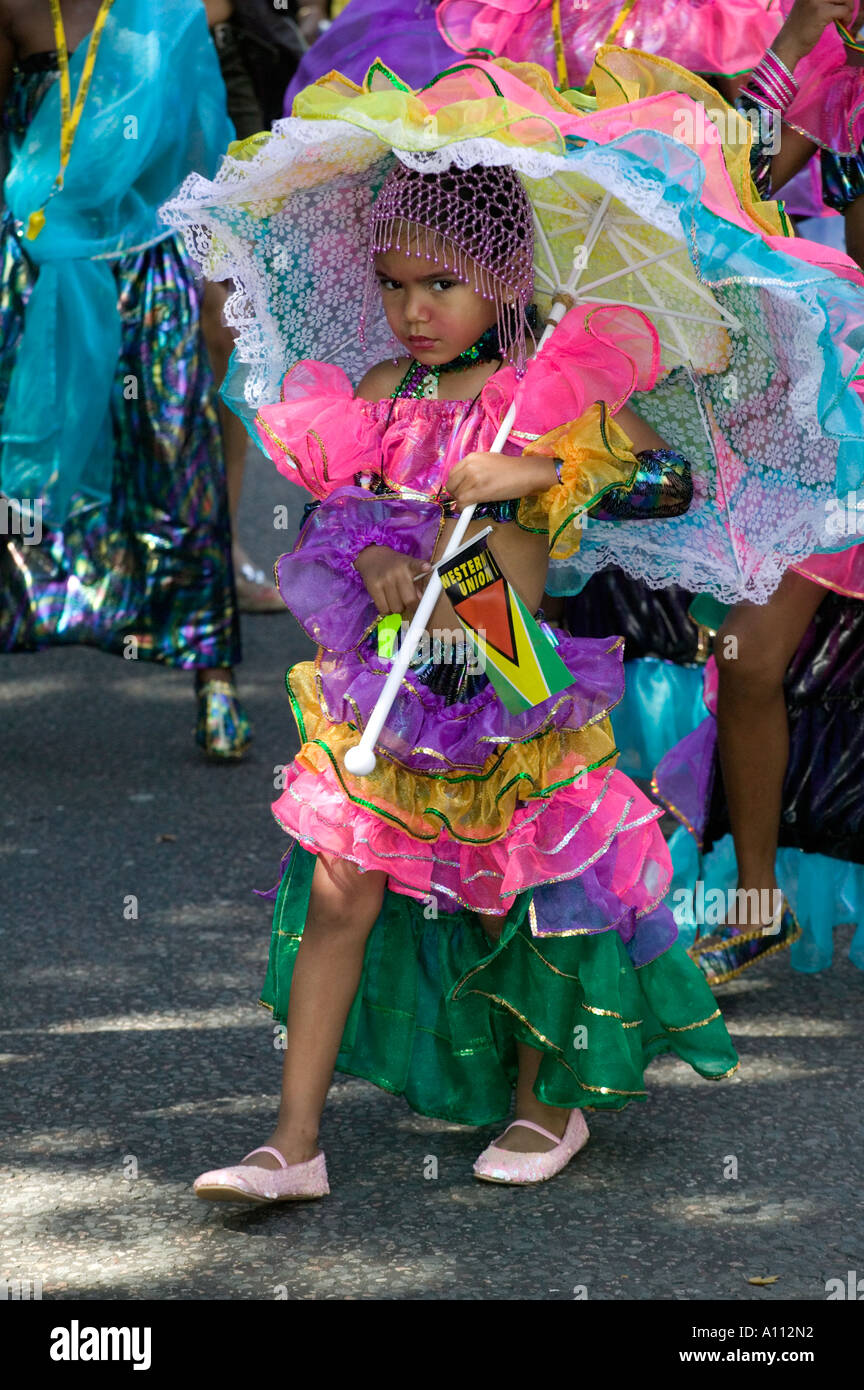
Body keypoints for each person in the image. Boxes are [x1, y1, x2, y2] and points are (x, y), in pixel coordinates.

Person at [192, 160, 738, 1203]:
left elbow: (669, 482)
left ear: (499, 275)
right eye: (393, 285)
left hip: (508, 667)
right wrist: (374, 562)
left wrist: (526, 471)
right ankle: (291, 1143)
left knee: (516, 893)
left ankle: (547, 1101)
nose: (412, 310)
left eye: (438, 284)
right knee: (340, 886)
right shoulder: (381, 394)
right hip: (391, 676)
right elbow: (340, 514)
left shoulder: (547, 391)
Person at [0, 0, 250, 758]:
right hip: (37, 265)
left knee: (177, 463)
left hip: (147, 266)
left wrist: (218, 270)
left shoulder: (175, 13)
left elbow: (203, 148)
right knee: (21, 467)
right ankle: (29, 612)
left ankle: (214, 677)